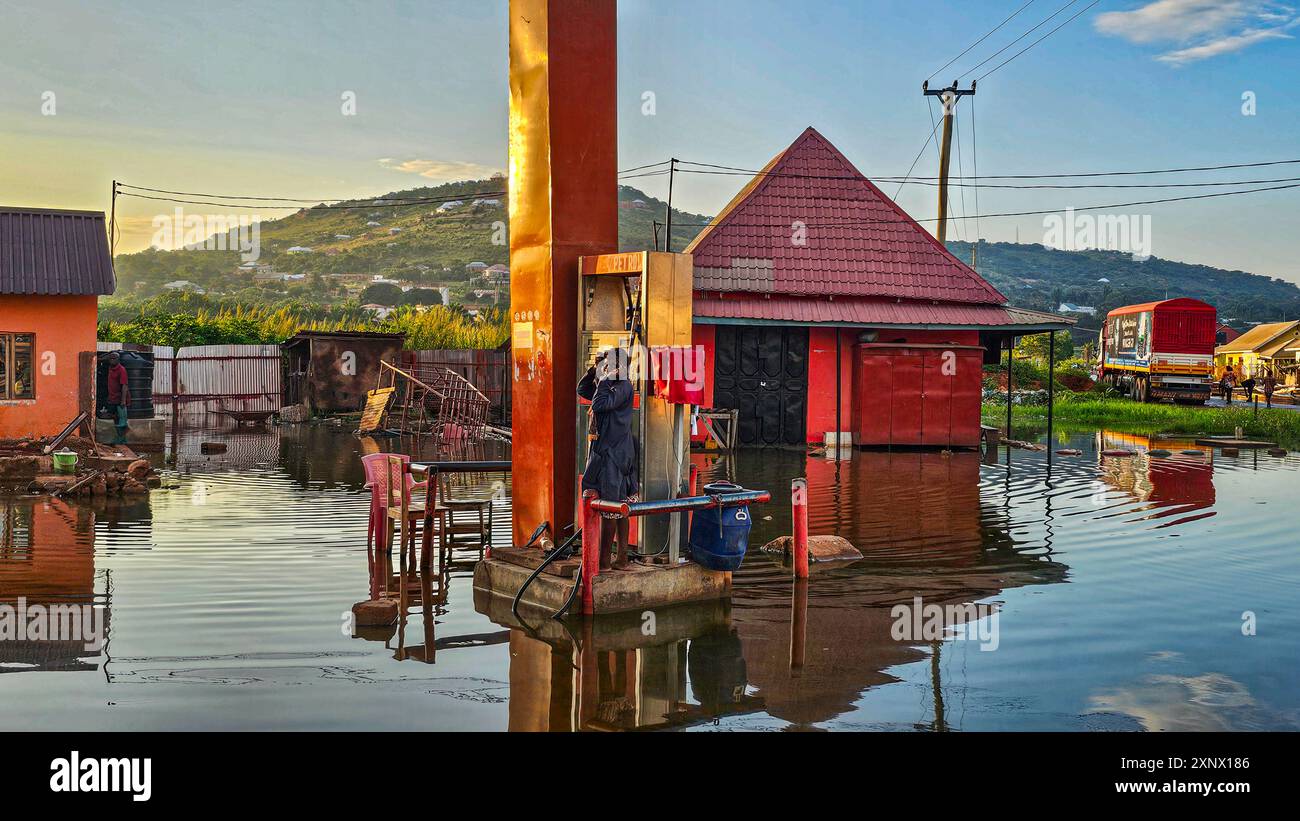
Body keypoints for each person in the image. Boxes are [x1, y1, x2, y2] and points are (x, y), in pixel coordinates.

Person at [577, 347, 638, 570]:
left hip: (615, 453)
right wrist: (594, 370)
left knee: (613, 504)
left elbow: (599, 404)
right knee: (615, 499)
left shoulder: (622, 386)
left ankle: (604, 561)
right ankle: (621, 557)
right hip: (605, 450)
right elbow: (582, 389)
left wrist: (603, 380)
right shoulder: (608, 385)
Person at [105, 352, 130, 444]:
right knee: (115, 419)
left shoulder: (121, 370)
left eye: (114, 358)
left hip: (120, 399)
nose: (112, 360)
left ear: (118, 359)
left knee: (122, 421)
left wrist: (123, 401)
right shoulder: (110, 369)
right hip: (112, 398)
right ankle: (119, 438)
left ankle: (122, 440)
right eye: (110, 358)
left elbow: (124, 385)